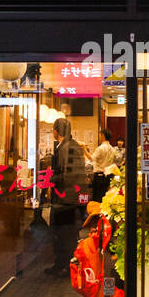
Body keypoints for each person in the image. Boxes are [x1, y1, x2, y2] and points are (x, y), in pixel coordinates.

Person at [47, 117, 88, 277]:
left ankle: (64, 266)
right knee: (69, 233)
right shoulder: (75, 145)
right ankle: (65, 265)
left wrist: (49, 179)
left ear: (56, 131)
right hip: (75, 197)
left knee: (63, 234)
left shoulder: (64, 148)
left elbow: (65, 175)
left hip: (65, 198)